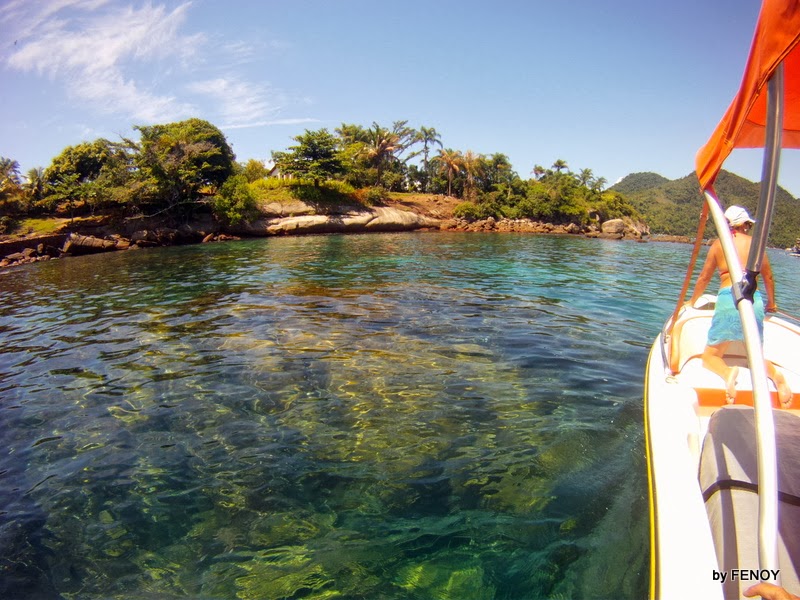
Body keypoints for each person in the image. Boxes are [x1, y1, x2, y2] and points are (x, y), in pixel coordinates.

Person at [686, 205, 792, 406]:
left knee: (710, 357)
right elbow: (768, 277)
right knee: (754, 356)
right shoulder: (756, 245)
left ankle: (727, 373)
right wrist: (772, 302)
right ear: (744, 225)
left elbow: (703, 278)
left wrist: (692, 301)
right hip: (754, 299)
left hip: (729, 298)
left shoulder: (719, 245)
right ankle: (777, 377)